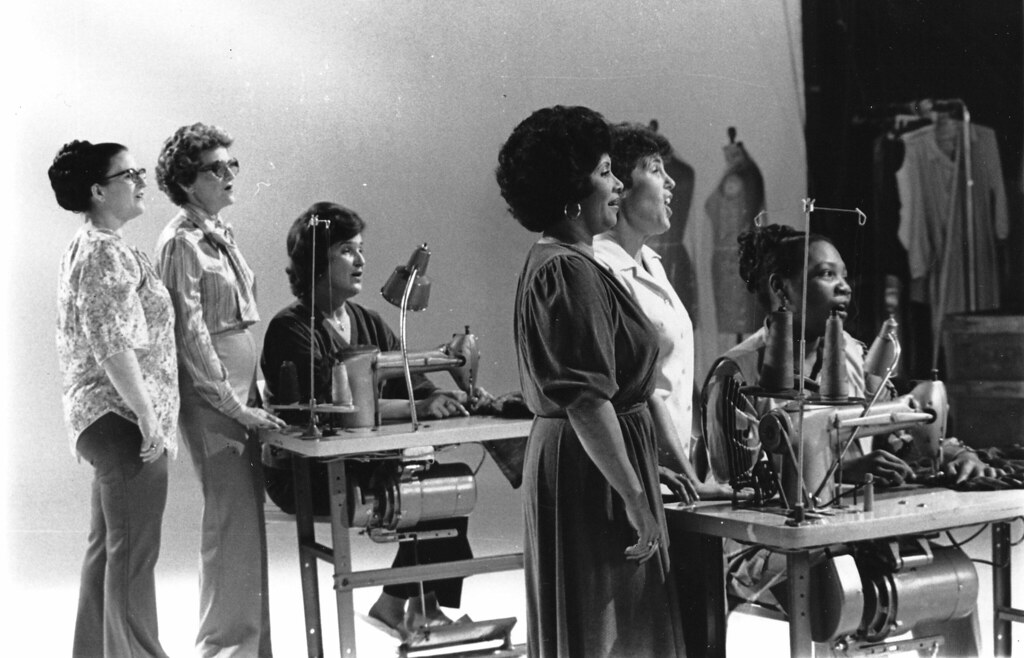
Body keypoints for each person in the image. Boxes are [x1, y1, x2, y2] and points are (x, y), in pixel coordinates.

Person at [701, 223, 998, 654]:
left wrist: (953, 453)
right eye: (826, 274)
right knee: (847, 589)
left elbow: (900, 424)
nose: (844, 286)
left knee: (953, 578)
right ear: (781, 289)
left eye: (843, 274)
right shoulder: (737, 375)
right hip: (761, 548)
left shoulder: (853, 355)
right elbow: (738, 491)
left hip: (847, 534)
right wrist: (844, 473)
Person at [496, 105, 687, 657]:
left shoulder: (567, 262)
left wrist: (644, 471)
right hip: (589, 474)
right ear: (572, 193)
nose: (618, 183)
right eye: (606, 172)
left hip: (591, 463)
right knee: (613, 633)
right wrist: (634, 495)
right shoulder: (569, 270)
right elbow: (585, 401)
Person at [260, 201, 485, 637]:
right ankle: (413, 608)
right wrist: (422, 408)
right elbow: (330, 411)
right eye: (347, 251)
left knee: (450, 485)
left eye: (360, 249)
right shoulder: (291, 329)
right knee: (432, 491)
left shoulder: (367, 320)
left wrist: (449, 395)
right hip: (304, 472)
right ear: (315, 261)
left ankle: (406, 605)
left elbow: (410, 383)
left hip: (359, 462)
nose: (361, 261)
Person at [154, 122, 284, 658]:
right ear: (187, 181)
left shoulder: (218, 233)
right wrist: (233, 403)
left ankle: (250, 646)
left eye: (232, 164)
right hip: (213, 398)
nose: (229, 174)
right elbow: (189, 334)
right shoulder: (180, 243)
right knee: (231, 523)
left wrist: (254, 393)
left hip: (238, 392)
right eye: (215, 168)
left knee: (244, 523)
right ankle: (225, 647)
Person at [51, 140, 179, 658]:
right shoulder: (103, 252)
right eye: (129, 175)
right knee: (132, 558)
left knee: (108, 550)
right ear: (98, 191)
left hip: (106, 418)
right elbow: (113, 344)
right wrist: (148, 417)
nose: (140, 181)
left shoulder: (95, 245)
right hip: (121, 418)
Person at [594, 121, 732, 500]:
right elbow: (643, 391)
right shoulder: (602, 268)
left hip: (674, 474)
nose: (670, 182)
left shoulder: (651, 262)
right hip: (638, 475)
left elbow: (673, 370)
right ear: (620, 186)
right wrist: (696, 483)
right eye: (656, 170)